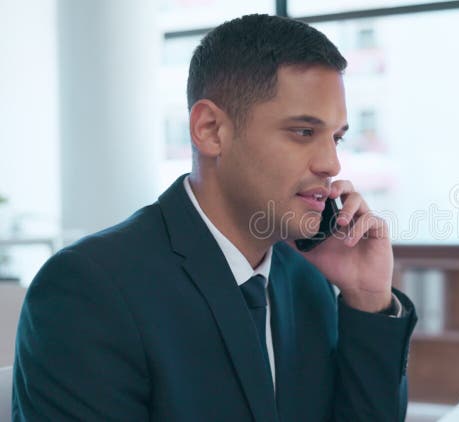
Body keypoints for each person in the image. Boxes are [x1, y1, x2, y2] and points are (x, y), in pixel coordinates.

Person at [12, 14, 416, 422]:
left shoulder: (307, 282)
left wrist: (368, 299)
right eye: (303, 132)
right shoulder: (90, 289)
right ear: (210, 130)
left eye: (337, 138)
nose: (332, 163)